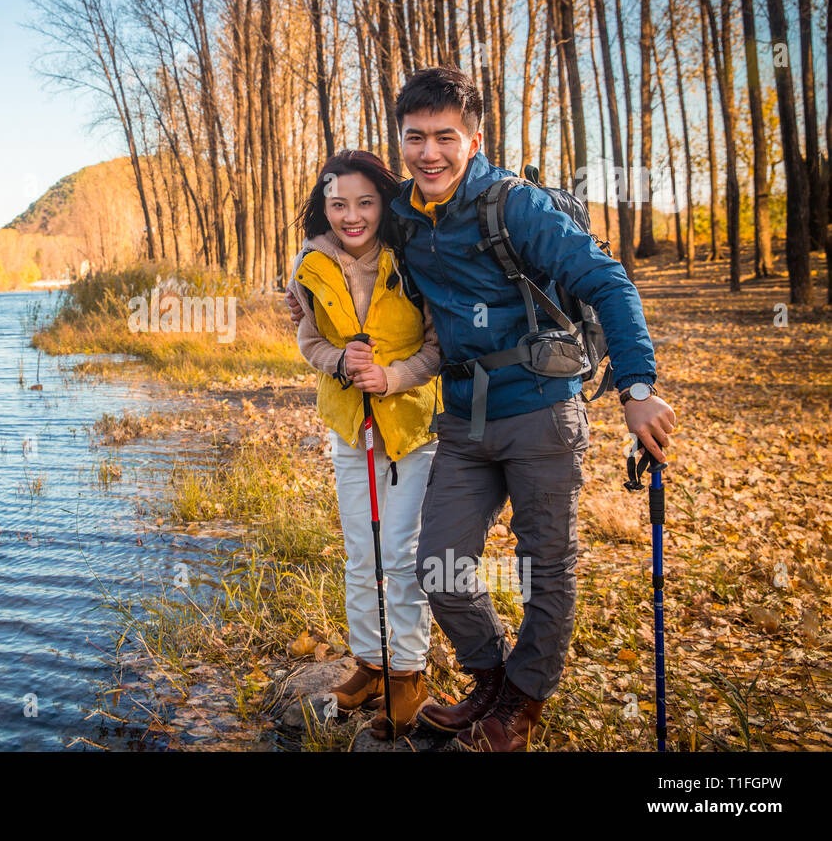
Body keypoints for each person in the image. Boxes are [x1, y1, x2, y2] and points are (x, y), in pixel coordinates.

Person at [288, 67, 677, 751]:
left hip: (541, 411)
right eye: (415, 138)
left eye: (445, 136)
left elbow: (607, 280)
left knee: (545, 564)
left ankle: (523, 701)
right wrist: (306, 293)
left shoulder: (513, 205)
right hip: (463, 416)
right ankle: (491, 679)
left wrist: (637, 390)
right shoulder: (404, 211)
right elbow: (356, 248)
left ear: (473, 138)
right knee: (436, 562)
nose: (428, 152)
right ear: (401, 141)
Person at [288, 149, 442, 739]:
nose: (352, 216)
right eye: (338, 204)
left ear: (385, 202)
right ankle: (371, 664)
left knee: (402, 555)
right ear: (323, 207)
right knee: (361, 553)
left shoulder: (415, 257)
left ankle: (409, 674)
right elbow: (309, 341)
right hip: (350, 426)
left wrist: (393, 376)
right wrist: (339, 362)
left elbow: (438, 346)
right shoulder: (311, 264)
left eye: (365, 203)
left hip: (409, 428)